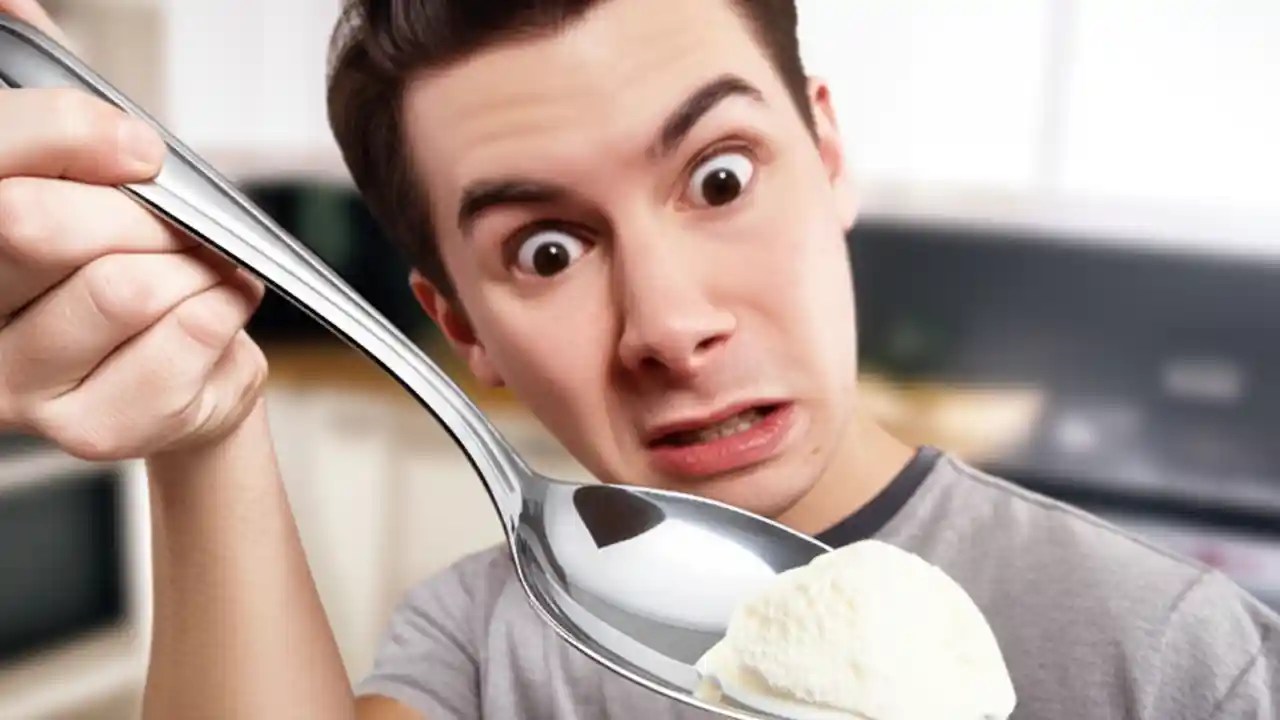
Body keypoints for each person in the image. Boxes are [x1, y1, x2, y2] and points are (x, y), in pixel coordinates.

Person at [0, 0, 1275, 717]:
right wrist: (209, 423)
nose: (668, 326)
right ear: (463, 333)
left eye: (718, 178)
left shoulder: (1168, 654)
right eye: (547, 253)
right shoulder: (482, 640)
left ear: (824, 155)